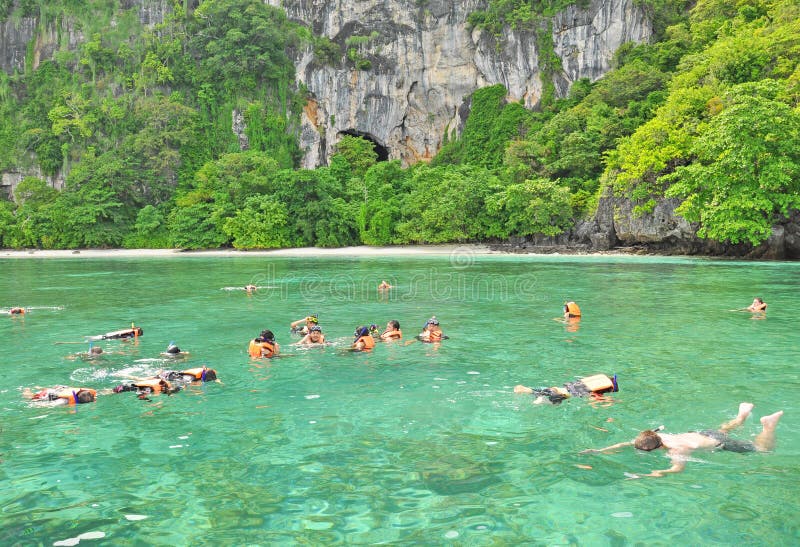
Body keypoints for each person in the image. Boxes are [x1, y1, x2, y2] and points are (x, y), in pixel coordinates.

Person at [581, 403, 783, 477]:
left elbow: (677, 469)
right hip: (701, 433)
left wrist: (652, 473)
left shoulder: (676, 450)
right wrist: (599, 451)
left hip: (717, 444)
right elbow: (625, 443)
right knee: (722, 429)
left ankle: (768, 424)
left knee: (762, 450)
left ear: (656, 448)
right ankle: (742, 415)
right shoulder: (654, 435)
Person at [514, 373, 618, 404]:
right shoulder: (595, 393)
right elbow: (593, 400)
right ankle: (540, 398)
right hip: (561, 396)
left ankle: (530, 390)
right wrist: (610, 400)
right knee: (550, 401)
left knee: (546, 391)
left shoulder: (585, 382)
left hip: (557, 389)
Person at [23, 386, 97, 406]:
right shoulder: (65, 401)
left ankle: (38, 387)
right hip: (48, 394)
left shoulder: (78, 391)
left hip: (59, 389)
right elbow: (50, 404)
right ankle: (26, 390)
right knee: (31, 398)